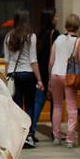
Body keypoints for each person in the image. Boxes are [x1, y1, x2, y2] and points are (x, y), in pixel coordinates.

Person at [4, 9, 43, 147]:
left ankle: (17, 135)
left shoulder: (9, 37)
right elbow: (33, 60)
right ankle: (29, 135)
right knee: (30, 105)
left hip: (14, 75)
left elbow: (7, 60)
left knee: (16, 106)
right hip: (28, 73)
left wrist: (5, 77)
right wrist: (39, 79)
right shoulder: (30, 37)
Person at [49, 13, 80, 147]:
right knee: (71, 107)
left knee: (57, 106)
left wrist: (49, 78)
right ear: (78, 26)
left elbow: (51, 60)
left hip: (55, 74)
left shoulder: (58, 39)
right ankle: (70, 139)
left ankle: (56, 136)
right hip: (68, 75)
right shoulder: (78, 41)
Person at [31, 8, 58, 140]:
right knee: (55, 103)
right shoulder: (55, 34)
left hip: (40, 73)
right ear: (51, 19)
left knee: (38, 102)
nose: (57, 19)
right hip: (51, 71)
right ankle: (55, 131)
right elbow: (55, 56)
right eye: (55, 17)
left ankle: (31, 130)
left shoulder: (38, 34)